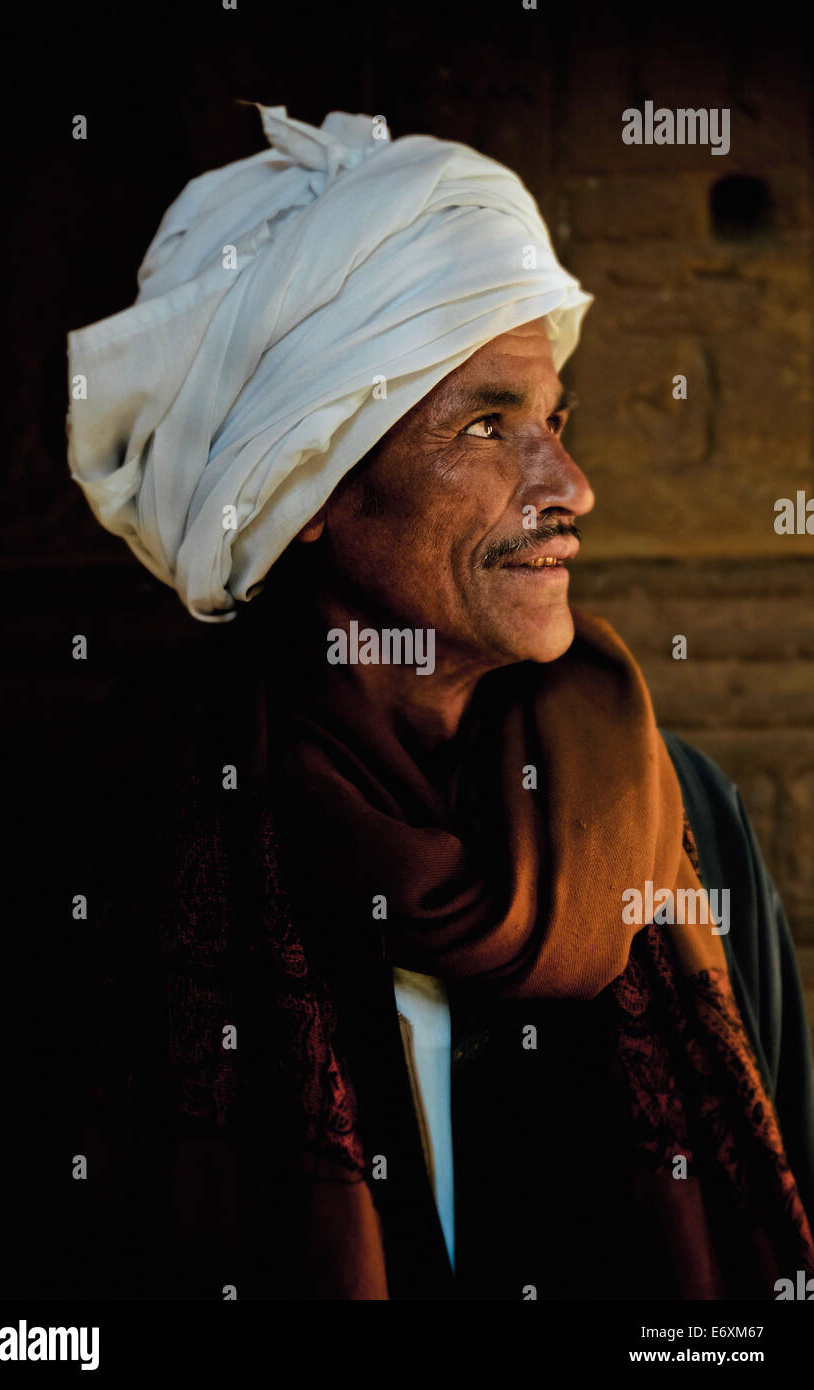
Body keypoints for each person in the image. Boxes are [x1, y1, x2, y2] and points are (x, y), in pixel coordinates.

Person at [67, 104, 814, 1300]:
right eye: (486, 426)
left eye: (551, 423)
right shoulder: (134, 838)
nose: (568, 485)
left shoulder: (681, 819)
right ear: (300, 485)